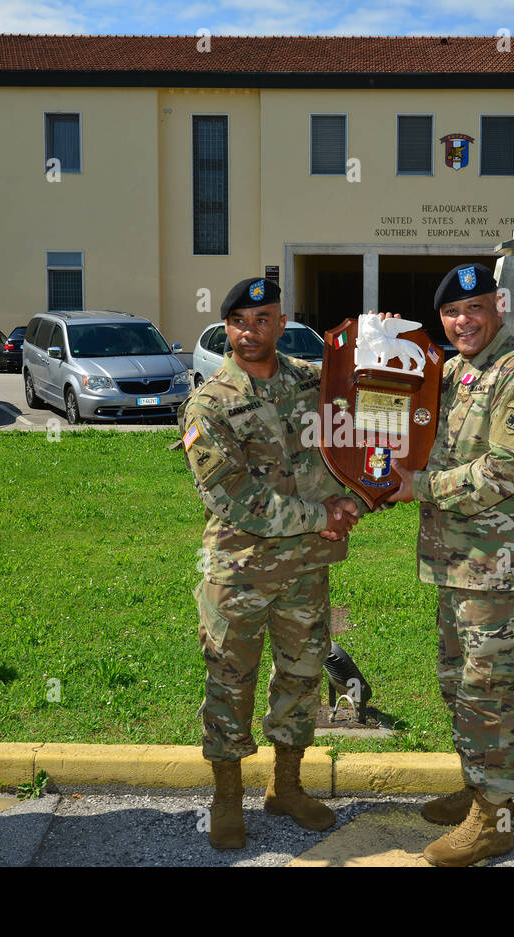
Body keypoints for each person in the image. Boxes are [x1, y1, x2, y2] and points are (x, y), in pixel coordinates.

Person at [387, 262, 514, 866]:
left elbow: (505, 470)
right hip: (455, 563)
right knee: (458, 684)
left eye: (474, 309)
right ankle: (475, 789)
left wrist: (421, 488)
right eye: (451, 314)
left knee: (494, 693)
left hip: (502, 570)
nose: (463, 322)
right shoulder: (458, 372)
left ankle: (495, 820)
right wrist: (380, 345)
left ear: (500, 308)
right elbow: (386, 398)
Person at [178, 276, 361, 850]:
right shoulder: (209, 402)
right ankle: (227, 796)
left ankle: (286, 785)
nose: (249, 331)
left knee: (302, 676)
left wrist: (362, 493)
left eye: (262, 320)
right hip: (239, 571)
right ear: (225, 327)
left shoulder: (313, 383)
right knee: (231, 680)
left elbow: (363, 433)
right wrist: (320, 517)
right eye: (238, 321)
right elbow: (229, 495)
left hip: (305, 569)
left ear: (281, 324)